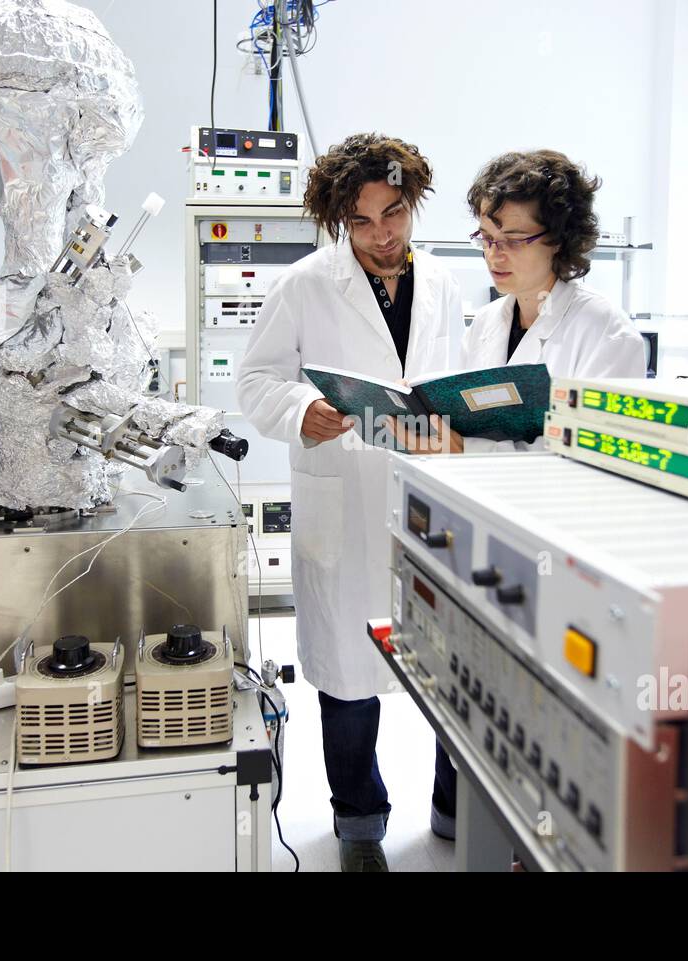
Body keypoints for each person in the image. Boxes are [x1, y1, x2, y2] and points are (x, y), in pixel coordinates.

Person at [236, 133, 463, 872]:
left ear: (413, 203)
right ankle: (360, 825)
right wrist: (303, 407)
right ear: (338, 221)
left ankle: (454, 809)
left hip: (431, 503)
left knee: (452, 674)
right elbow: (256, 381)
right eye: (361, 223)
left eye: (393, 213)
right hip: (344, 499)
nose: (381, 235)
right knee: (347, 678)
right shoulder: (304, 284)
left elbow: (462, 382)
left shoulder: (448, 285)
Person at [392, 149, 646, 455]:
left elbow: (593, 455)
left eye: (513, 240)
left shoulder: (607, 334)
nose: (494, 254)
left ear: (559, 239)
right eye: (486, 238)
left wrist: (467, 451)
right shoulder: (485, 324)